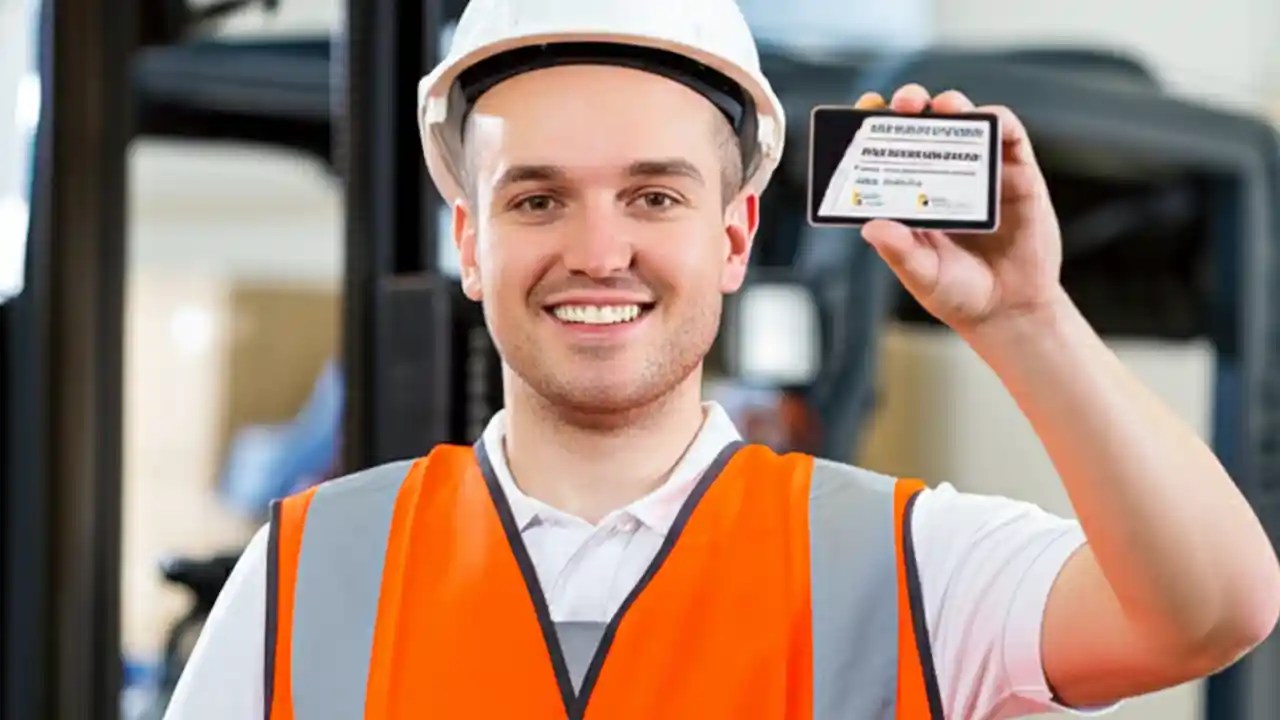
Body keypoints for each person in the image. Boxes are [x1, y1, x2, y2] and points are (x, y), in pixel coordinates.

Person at [164, 0, 1280, 718]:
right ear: (469, 239)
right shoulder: (311, 574)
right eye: (539, 198)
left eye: (653, 195)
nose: (598, 252)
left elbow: (1211, 608)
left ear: (735, 235)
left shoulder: (905, 569)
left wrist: (1025, 320)